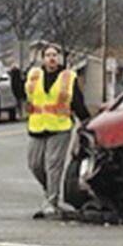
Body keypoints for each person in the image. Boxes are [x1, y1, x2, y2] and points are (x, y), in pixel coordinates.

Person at [26, 44, 90, 219]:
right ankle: (50, 191)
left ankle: (51, 203)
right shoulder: (34, 76)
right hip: (37, 127)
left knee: (53, 166)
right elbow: (22, 95)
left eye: (55, 55)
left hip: (60, 128)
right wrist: (15, 76)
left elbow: (77, 102)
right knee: (35, 165)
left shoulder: (68, 78)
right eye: (48, 55)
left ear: (60, 58)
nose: (52, 58)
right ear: (43, 58)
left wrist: (86, 121)